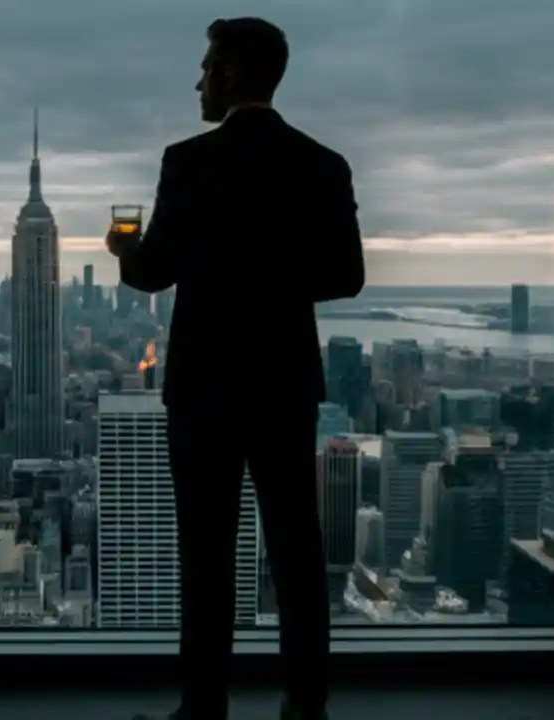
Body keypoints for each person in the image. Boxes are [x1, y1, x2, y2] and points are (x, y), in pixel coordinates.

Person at [107, 17, 364, 720]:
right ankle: (307, 702)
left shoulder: (189, 162)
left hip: (205, 385)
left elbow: (153, 274)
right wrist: (275, 275)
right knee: (298, 550)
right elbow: (347, 276)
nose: (199, 80)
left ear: (231, 75)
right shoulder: (323, 164)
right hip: (283, 381)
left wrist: (121, 249)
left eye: (207, 67)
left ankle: (204, 704)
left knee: (206, 552)